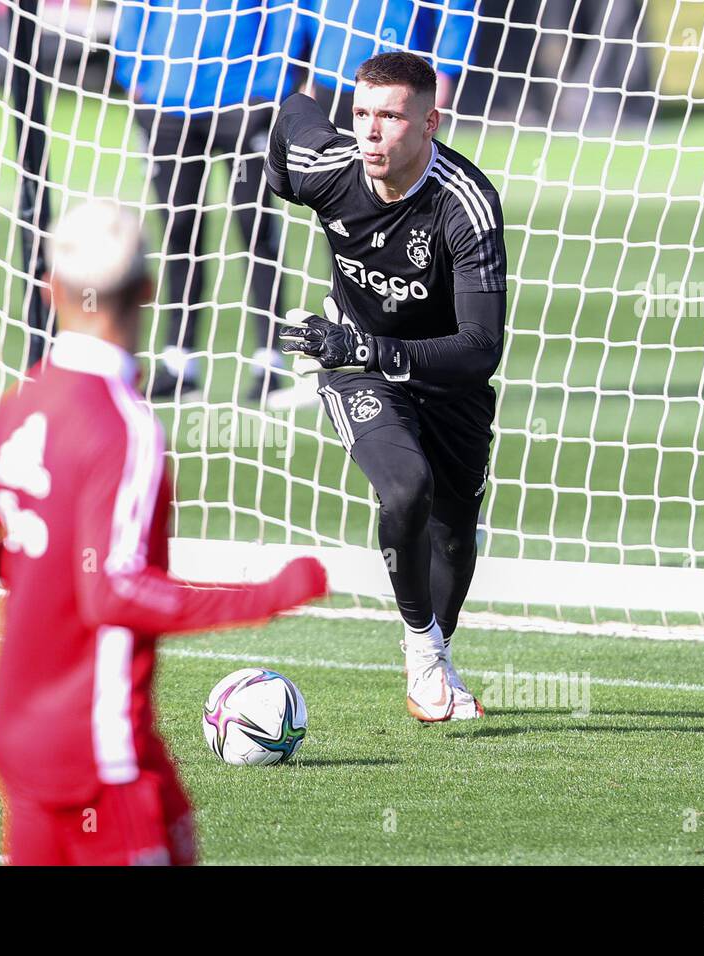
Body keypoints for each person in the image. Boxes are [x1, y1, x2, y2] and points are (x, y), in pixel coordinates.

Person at [0, 199, 329, 865]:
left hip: (17, 737)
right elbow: (113, 593)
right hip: (99, 755)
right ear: (148, 290)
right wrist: (263, 596)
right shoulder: (125, 427)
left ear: (49, 289)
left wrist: (50, 566)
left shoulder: (22, 401)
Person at [267, 51, 507, 722]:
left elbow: (480, 349)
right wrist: (280, 169)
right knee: (405, 487)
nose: (371, 133)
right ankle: (423, 654)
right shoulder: (331, 168)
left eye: (391, 117)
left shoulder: (466, 203)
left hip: (443, 375)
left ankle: (437, 650)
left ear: (430, 122)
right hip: (353, 365)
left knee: (455, 534)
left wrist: (370, 345)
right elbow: (293, 118)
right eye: (362, 114)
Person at [112, 0, 298, 404]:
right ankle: (179, 364)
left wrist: (269, 86)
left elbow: (284, 16)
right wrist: (134, 78)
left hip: (241, 106)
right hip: (168, 106)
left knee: (255, 229)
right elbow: (134, 14)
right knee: (179, 230)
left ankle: (269, 362)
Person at [290, 0, 477, 132]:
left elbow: (458, 9)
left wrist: (446, 68)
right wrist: (304, 72)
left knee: (401, 178)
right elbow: (299, 12)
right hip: (331, 75)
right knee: (333, 178)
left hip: (401, 78)